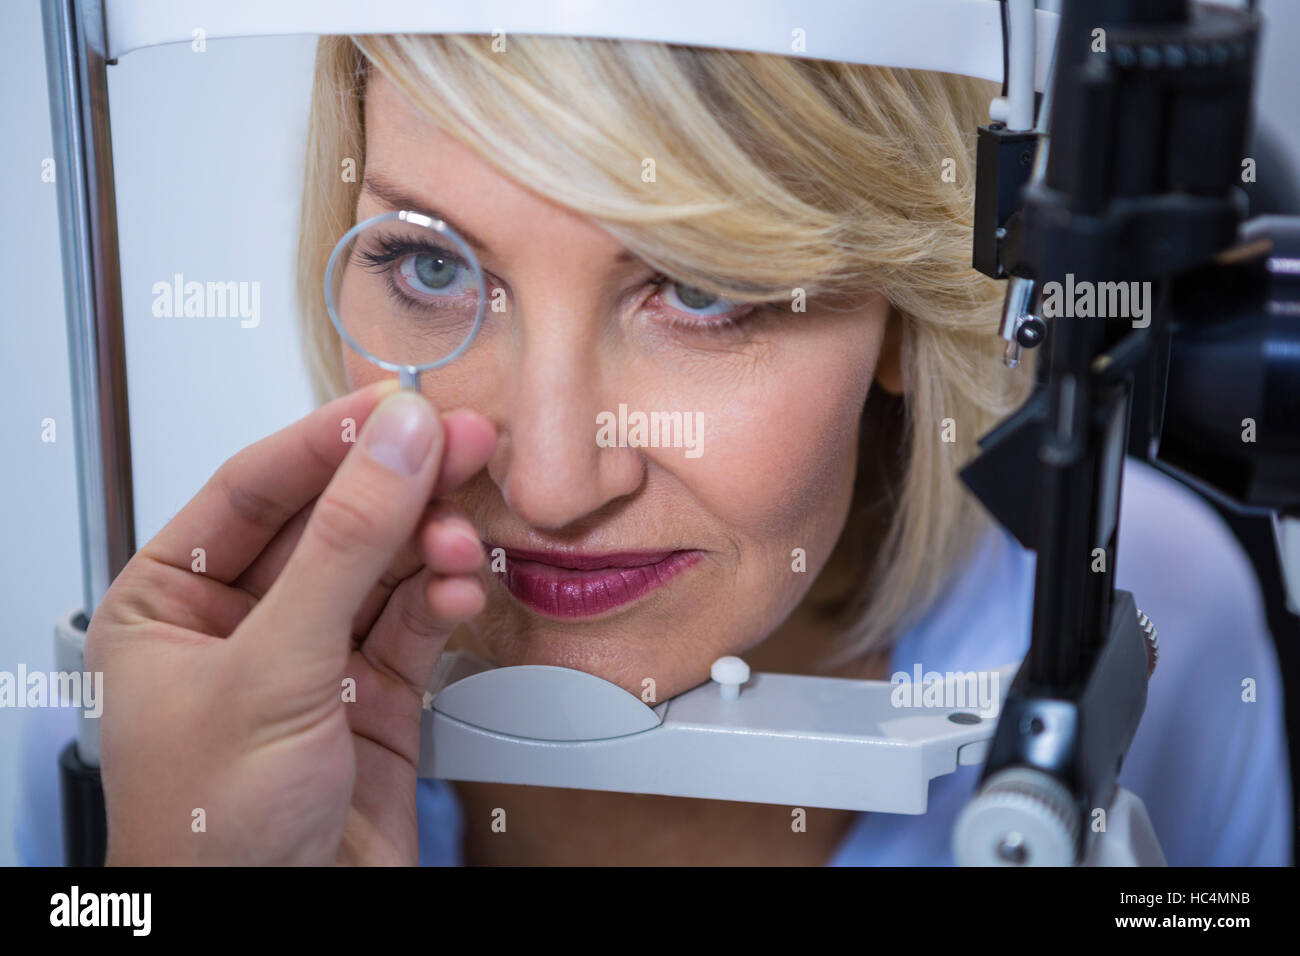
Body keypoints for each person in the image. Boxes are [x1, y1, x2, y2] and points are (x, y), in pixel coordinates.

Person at [19, 33, 1291, 865]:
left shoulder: (1148, 615)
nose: (550, 482)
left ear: (908, 308)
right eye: (431, 263)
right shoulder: (150, 728)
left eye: (697, 288)